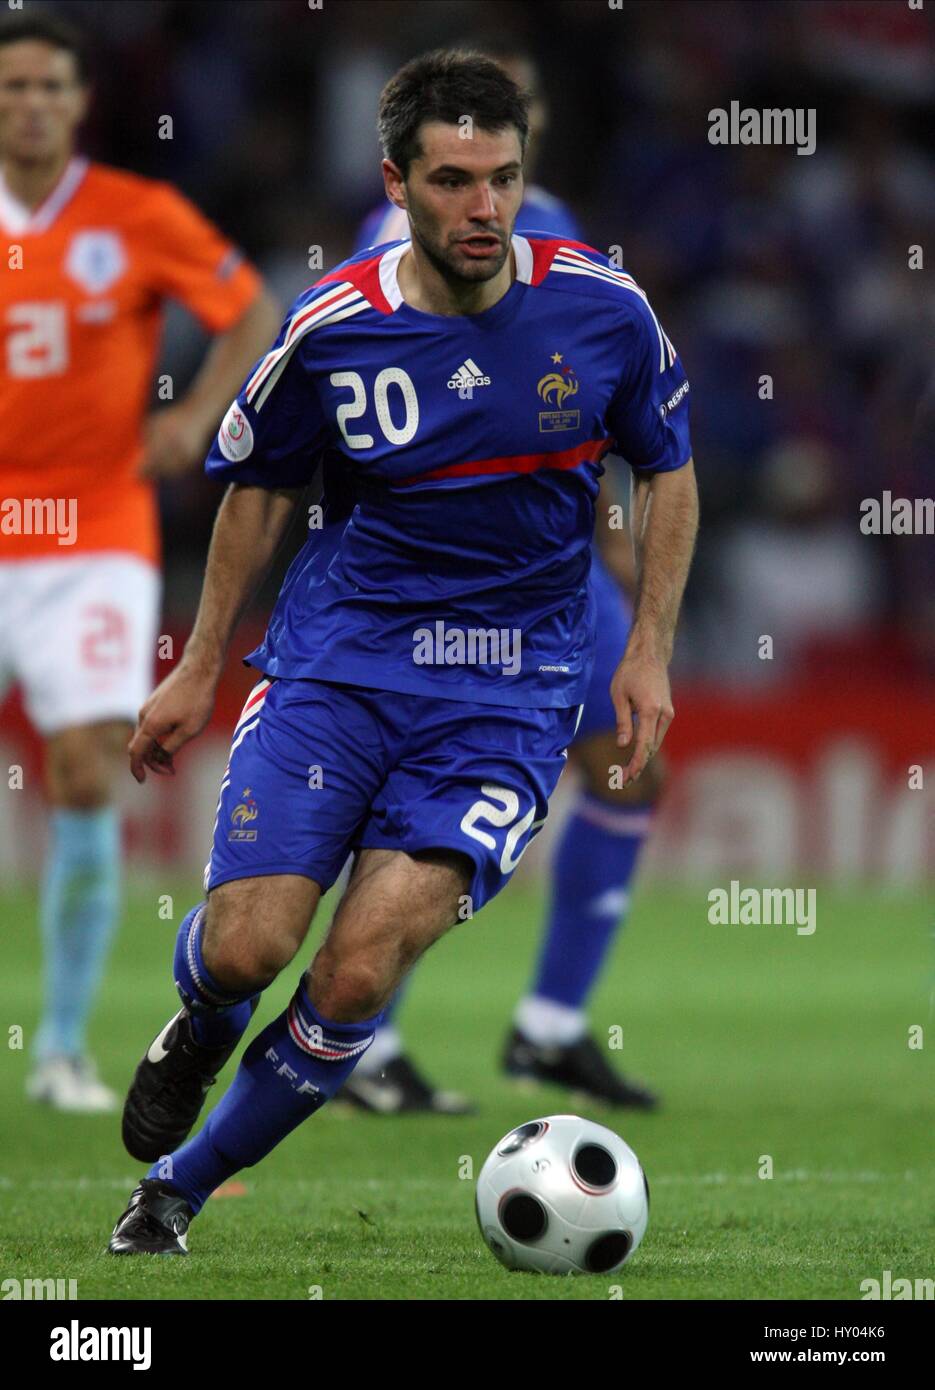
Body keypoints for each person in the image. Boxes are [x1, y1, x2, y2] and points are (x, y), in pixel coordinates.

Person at [106, 48, 696, 1256]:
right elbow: (259, 492)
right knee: (248, 945)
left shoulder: (604, 310)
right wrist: (197, 659)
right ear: (394, 183)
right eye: (451, 182)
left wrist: (645, 650)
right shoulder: (331, 328)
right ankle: (203, 1021)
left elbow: (668, 468)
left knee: (361, 967)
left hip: (511, 693)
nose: (482, 208)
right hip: (340, 668)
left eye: (502, 179)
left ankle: (174, 1187)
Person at [343, 43, 666, 1114]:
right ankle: (364, 1042)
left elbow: (592, 401)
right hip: (446, 582)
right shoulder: (390, 243)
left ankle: (548, 1027)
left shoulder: (557, 223)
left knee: (626, 764)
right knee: (420, 809)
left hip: (554, 571)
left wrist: (614, 555)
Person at [0, 12, 280, 1112]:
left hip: (94, 533)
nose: (28, 103)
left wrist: (201, 415)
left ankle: (60, 1043)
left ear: (78, 102)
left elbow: (251, 307)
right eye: (11, 85)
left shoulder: (136, 215)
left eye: (46, 86)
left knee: (82, 768)